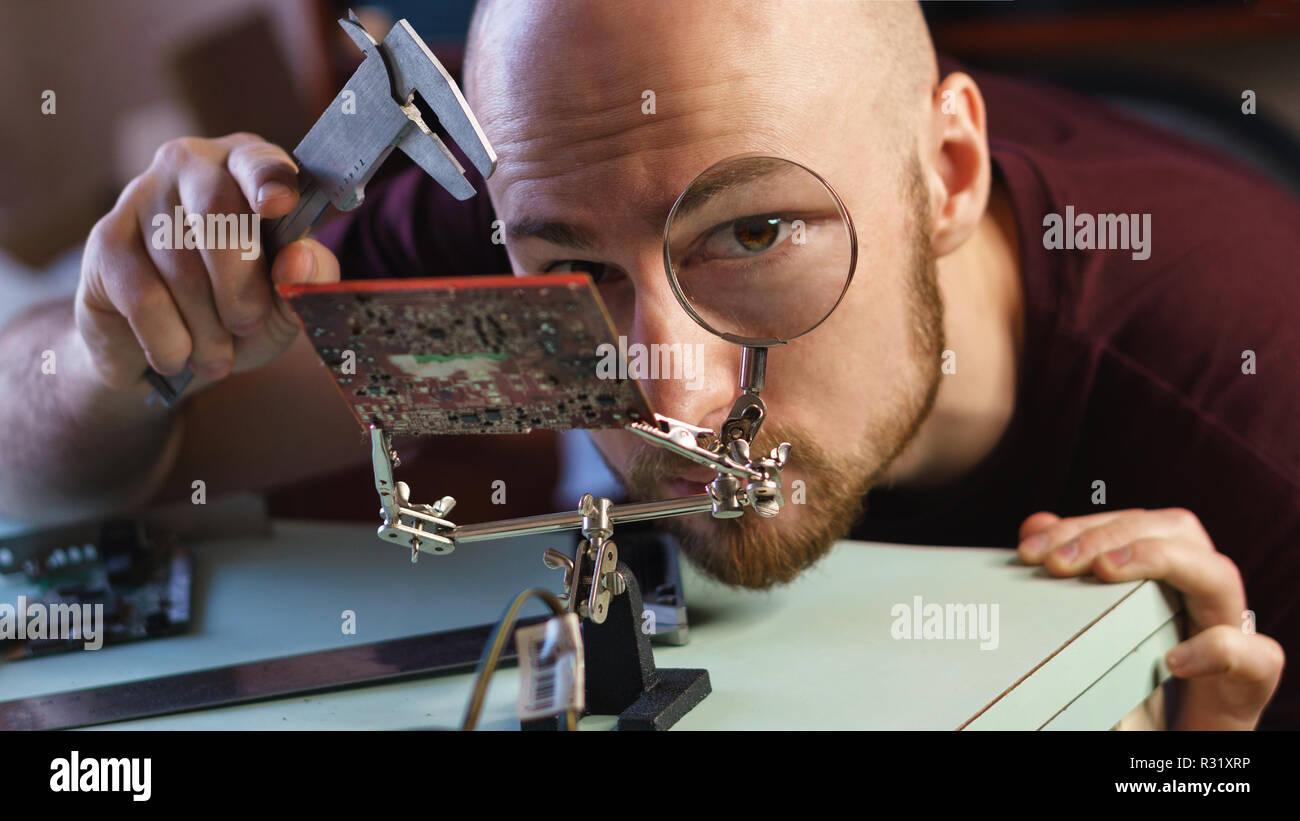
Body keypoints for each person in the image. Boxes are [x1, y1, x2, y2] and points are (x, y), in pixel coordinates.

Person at [0, 0, 1291, 730]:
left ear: (949, 176)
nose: (665, 395)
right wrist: (119, 351)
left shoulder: (1252, 420)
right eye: (579, 272)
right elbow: (64, 468)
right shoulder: (531, 178)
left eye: (755, 236)